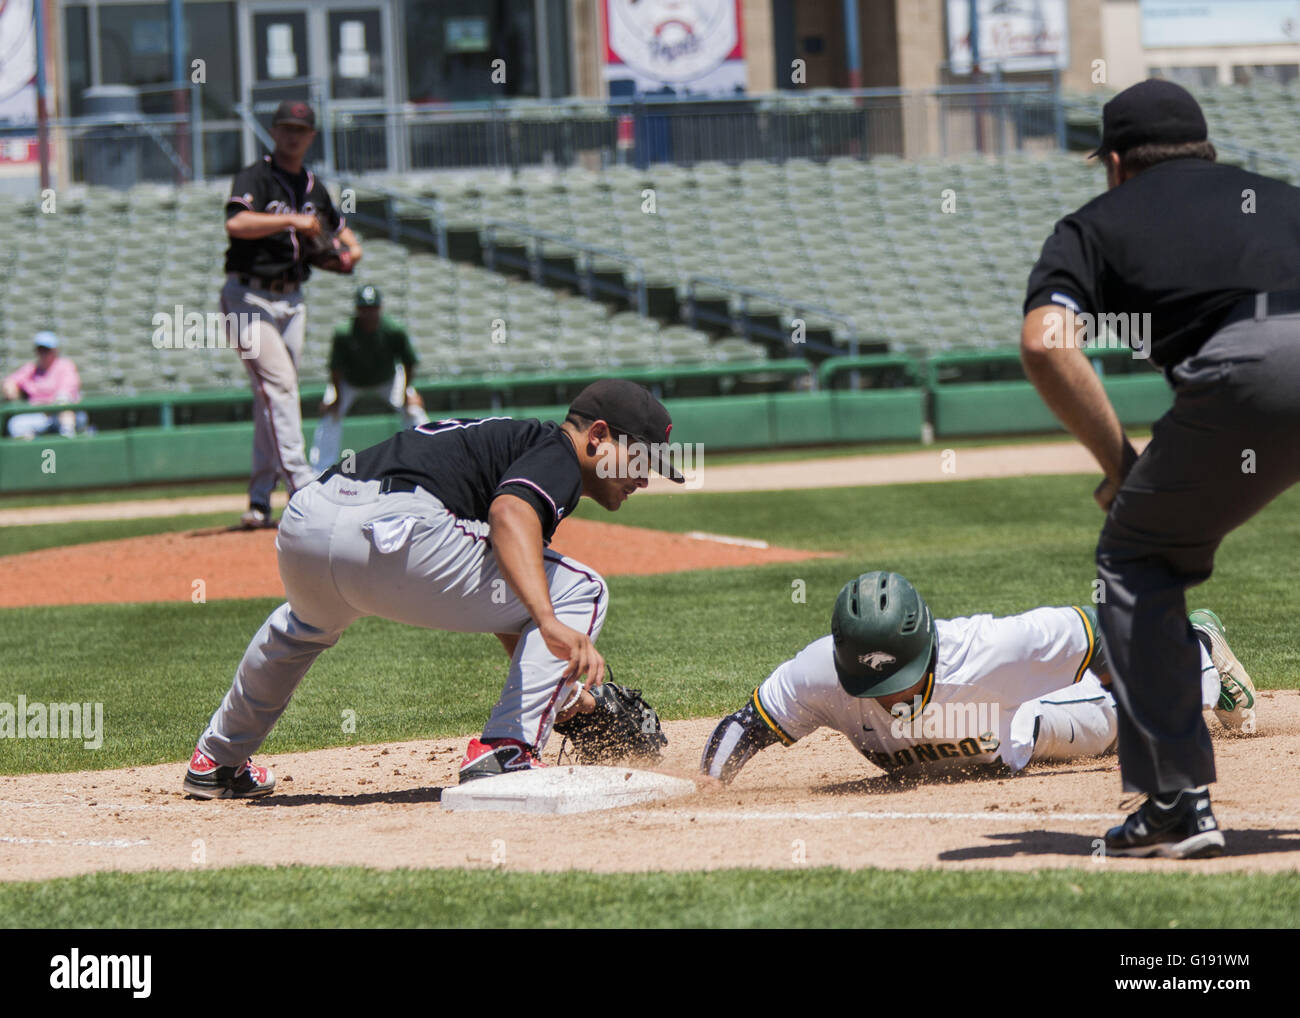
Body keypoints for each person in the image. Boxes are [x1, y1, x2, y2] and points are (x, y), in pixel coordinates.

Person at [1019, 78, 1300, 858]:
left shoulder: (1096, 222)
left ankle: (1176, 801)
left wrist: (1119, 466)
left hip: (1253, 370)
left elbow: (1046, 342)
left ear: (1114, 162)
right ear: (1206, 149)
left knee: (1137, 555)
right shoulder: (1279, 196)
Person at [183, 379, 684, 798]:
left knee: (302, 626)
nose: (644, 478)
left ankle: (217, 759)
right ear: (598, 436)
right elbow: (509, 514)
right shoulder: (555, 450)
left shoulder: (503, 440)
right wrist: (551, 623)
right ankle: (506, 750)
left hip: (306, 525)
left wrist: (565, 695)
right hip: (394, 532)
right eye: (641, 460)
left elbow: (505, 603)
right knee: (584, 589)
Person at [701, 572, 1255, 807]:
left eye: (899, 680)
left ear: (927, 651)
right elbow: (745, 724)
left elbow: (1110, 631)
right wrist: (709, 785)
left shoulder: (997, 648)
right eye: (874, 685)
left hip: (1037, 723)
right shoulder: (820, 672)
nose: (890, 698)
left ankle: (1200, 643)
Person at [222, 98, 362, 530]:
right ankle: (302, 485)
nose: (292, 135)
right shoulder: (256, 176)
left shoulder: (313, 188)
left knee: (272, 397)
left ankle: (260, 500)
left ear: (311, 137)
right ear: (275, 131)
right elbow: (236, 224)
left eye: (300, 130)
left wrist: (352, 251)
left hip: (293, 299)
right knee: (280, 387)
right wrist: (292, 224)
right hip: (248, 297)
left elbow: (340, 232)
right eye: (285, 128)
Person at [308, 284, 429, 471]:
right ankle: (319, 473)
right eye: (364, 309)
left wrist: (406, 394)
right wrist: (337, 400)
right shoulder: (344, 333)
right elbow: (336, 369)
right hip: (349, 382)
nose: (369, 313)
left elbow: (409, 363)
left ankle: (427, 461)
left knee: (413, 410)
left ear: (379, 308)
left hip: (388, 379)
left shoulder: (393, 329)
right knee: (330, 417)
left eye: (372, 308)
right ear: (357, 310)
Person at [2, 332, 86, 440]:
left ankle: (68, 441)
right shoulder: (31, 369)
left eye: (46, 350)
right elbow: (10, 381)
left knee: (63, 403)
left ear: (55, 351)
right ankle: (32, 451)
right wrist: (10, 387)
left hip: (64, 414)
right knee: (16, 425)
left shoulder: (65, 366)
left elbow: (64, 395)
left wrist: (45, 406)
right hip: (41, 415)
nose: (43, 354)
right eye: (40, 350)